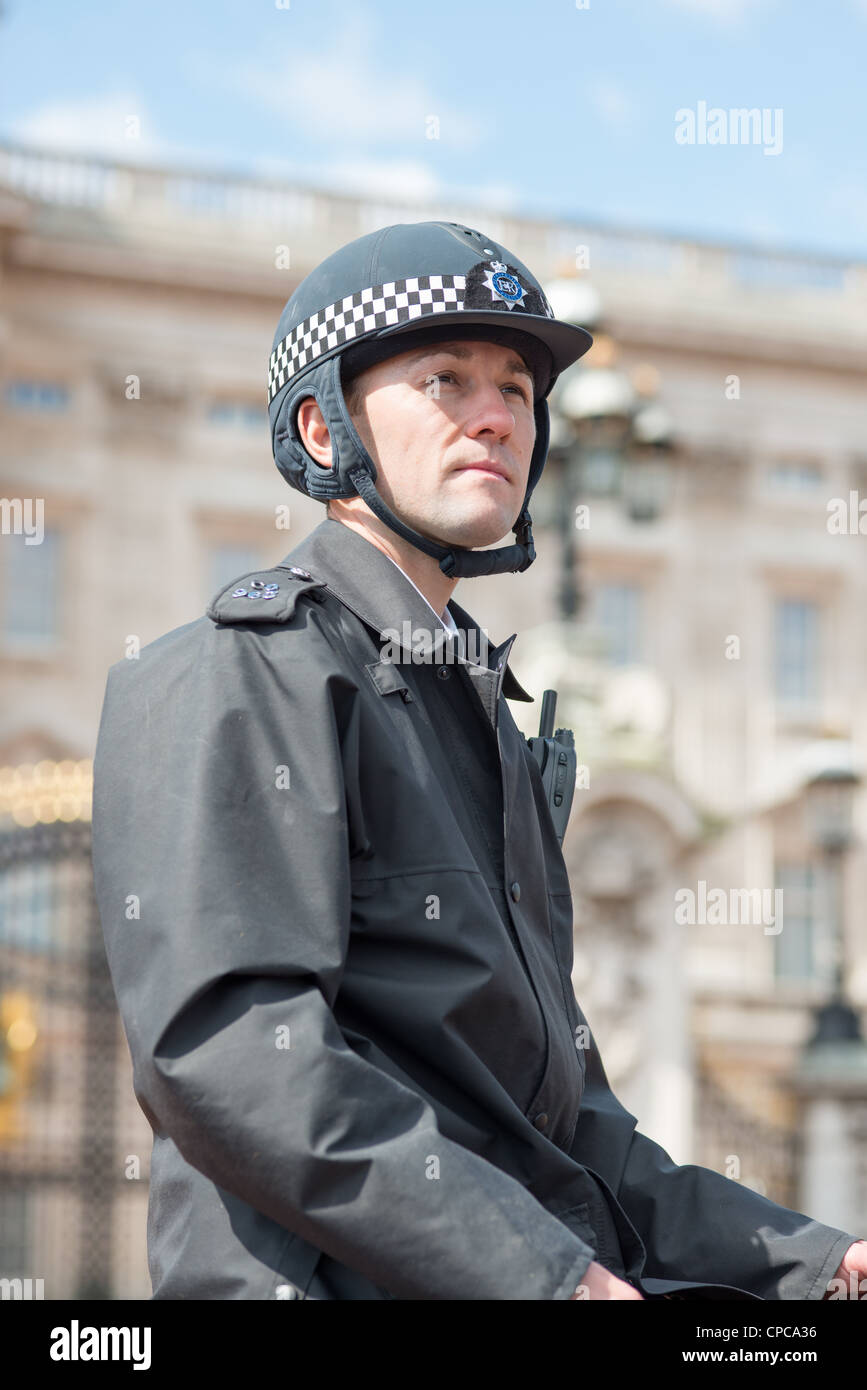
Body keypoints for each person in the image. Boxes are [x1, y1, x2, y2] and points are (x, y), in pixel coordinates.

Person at [91, 220, 866, 1300]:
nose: (497, 413)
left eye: (517, 385)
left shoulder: (482, 715)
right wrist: (548, 1275)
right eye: (445, 379)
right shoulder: (240, 670)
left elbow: (572, 1132)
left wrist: (820, 1262)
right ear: (322, 429)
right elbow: (237, 1058)